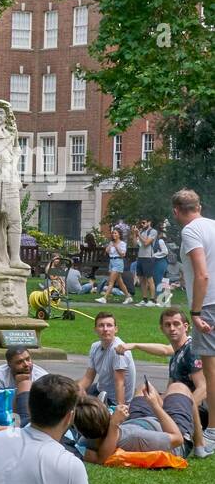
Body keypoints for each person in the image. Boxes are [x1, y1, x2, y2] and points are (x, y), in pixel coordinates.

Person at [114, 308, 206, 450]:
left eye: (176, 324)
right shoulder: (177, 353)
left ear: (186, 327)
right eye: (167, 325)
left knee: (177, 388)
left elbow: (203, 388)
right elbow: (164, 349)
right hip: (177, 407)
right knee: (144, 389)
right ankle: (133, 427)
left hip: (195, 412)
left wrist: (176, 407)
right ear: (161, 328)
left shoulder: (191, 350)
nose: (172, 328)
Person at [173, 188, 215, 444]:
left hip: (209, 304)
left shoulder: (190, 231)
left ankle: (212, 430)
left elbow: (202, 274)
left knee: (211, 372)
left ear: (176, 211)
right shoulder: (213, 225)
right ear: (198, 206)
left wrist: (196, 312)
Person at [67, 382, 194, 464]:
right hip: (172, 433)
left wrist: (115, 424)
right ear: (107, 414)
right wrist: (155, 406)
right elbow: (177, 439)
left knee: (144, 387)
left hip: (136, 421)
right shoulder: (135, 437)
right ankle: (200, 443)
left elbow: (99, 457)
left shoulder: (88, 440)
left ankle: (164, 402)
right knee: (179, 387)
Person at [77, 311, 136, 405]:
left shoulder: (118, 349)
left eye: (109, 325)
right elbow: (88, 377)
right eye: (101, 325)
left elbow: (120, 383)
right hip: (100, 389)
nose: (105, 329)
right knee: (70, 391)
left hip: (113, 400)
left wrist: (120, 409)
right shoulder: (95, 347)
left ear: (116, 329)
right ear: (95, 329)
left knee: (82, 411)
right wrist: (76, 391)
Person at [0, 346, 49, 426]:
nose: (26, 364)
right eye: (19, 362)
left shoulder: (42, 377)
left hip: (33, 419)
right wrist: (18, 386)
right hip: (4, 416)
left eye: (28, 359)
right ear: (9, 364)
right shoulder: (0, 374)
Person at [95, 228, 132, 304]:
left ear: (119, 235)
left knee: (111, 281)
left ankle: (104, 298)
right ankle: (128, 297)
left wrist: (116, 246)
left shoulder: (122, 244)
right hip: (111, 261)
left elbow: (122, 255)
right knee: (120, 282)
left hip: (118, 262)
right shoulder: (111, 242)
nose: (114, 235)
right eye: (113, 233)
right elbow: (107, 252)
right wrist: (109, 246)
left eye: (115, 233)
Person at [135, 218, 160, 306]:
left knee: (149, 278)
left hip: (148, 257)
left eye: (144, 222)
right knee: (141, 279)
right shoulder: (141, 232)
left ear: (149, 222)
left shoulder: (153, 231)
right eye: (141, 223)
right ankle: (144, 299)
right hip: (140, 257)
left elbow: (146, 243)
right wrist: (134, 234)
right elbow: (136, 244)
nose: (142, 224)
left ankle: (152, 299)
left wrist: (139, 234)